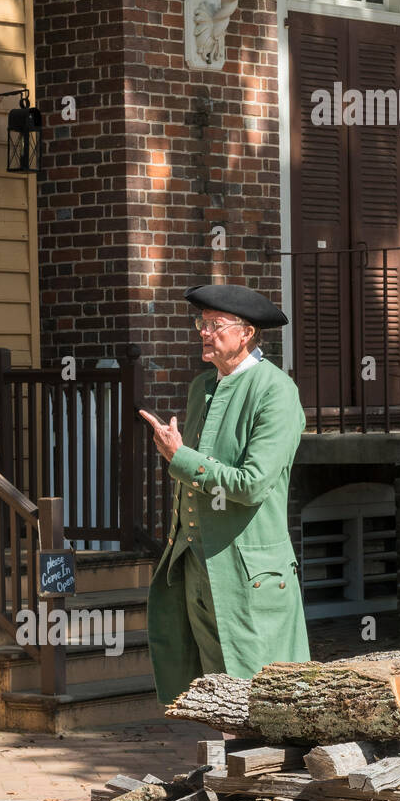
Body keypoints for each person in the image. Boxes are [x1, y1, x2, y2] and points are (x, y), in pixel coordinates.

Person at [141, 283, 310, 708]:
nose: (204, 332)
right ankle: (222, 771)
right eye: (202, 324)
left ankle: (263, 773)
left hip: (249, 573)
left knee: (262, 696)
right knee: (213, 692)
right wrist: (176, 454)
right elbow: (200, 473)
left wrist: (180, 459)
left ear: (247, 333)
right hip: (198, 564)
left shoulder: (276, 391)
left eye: (215, 325)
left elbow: (251, 484)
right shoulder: (202, 387)